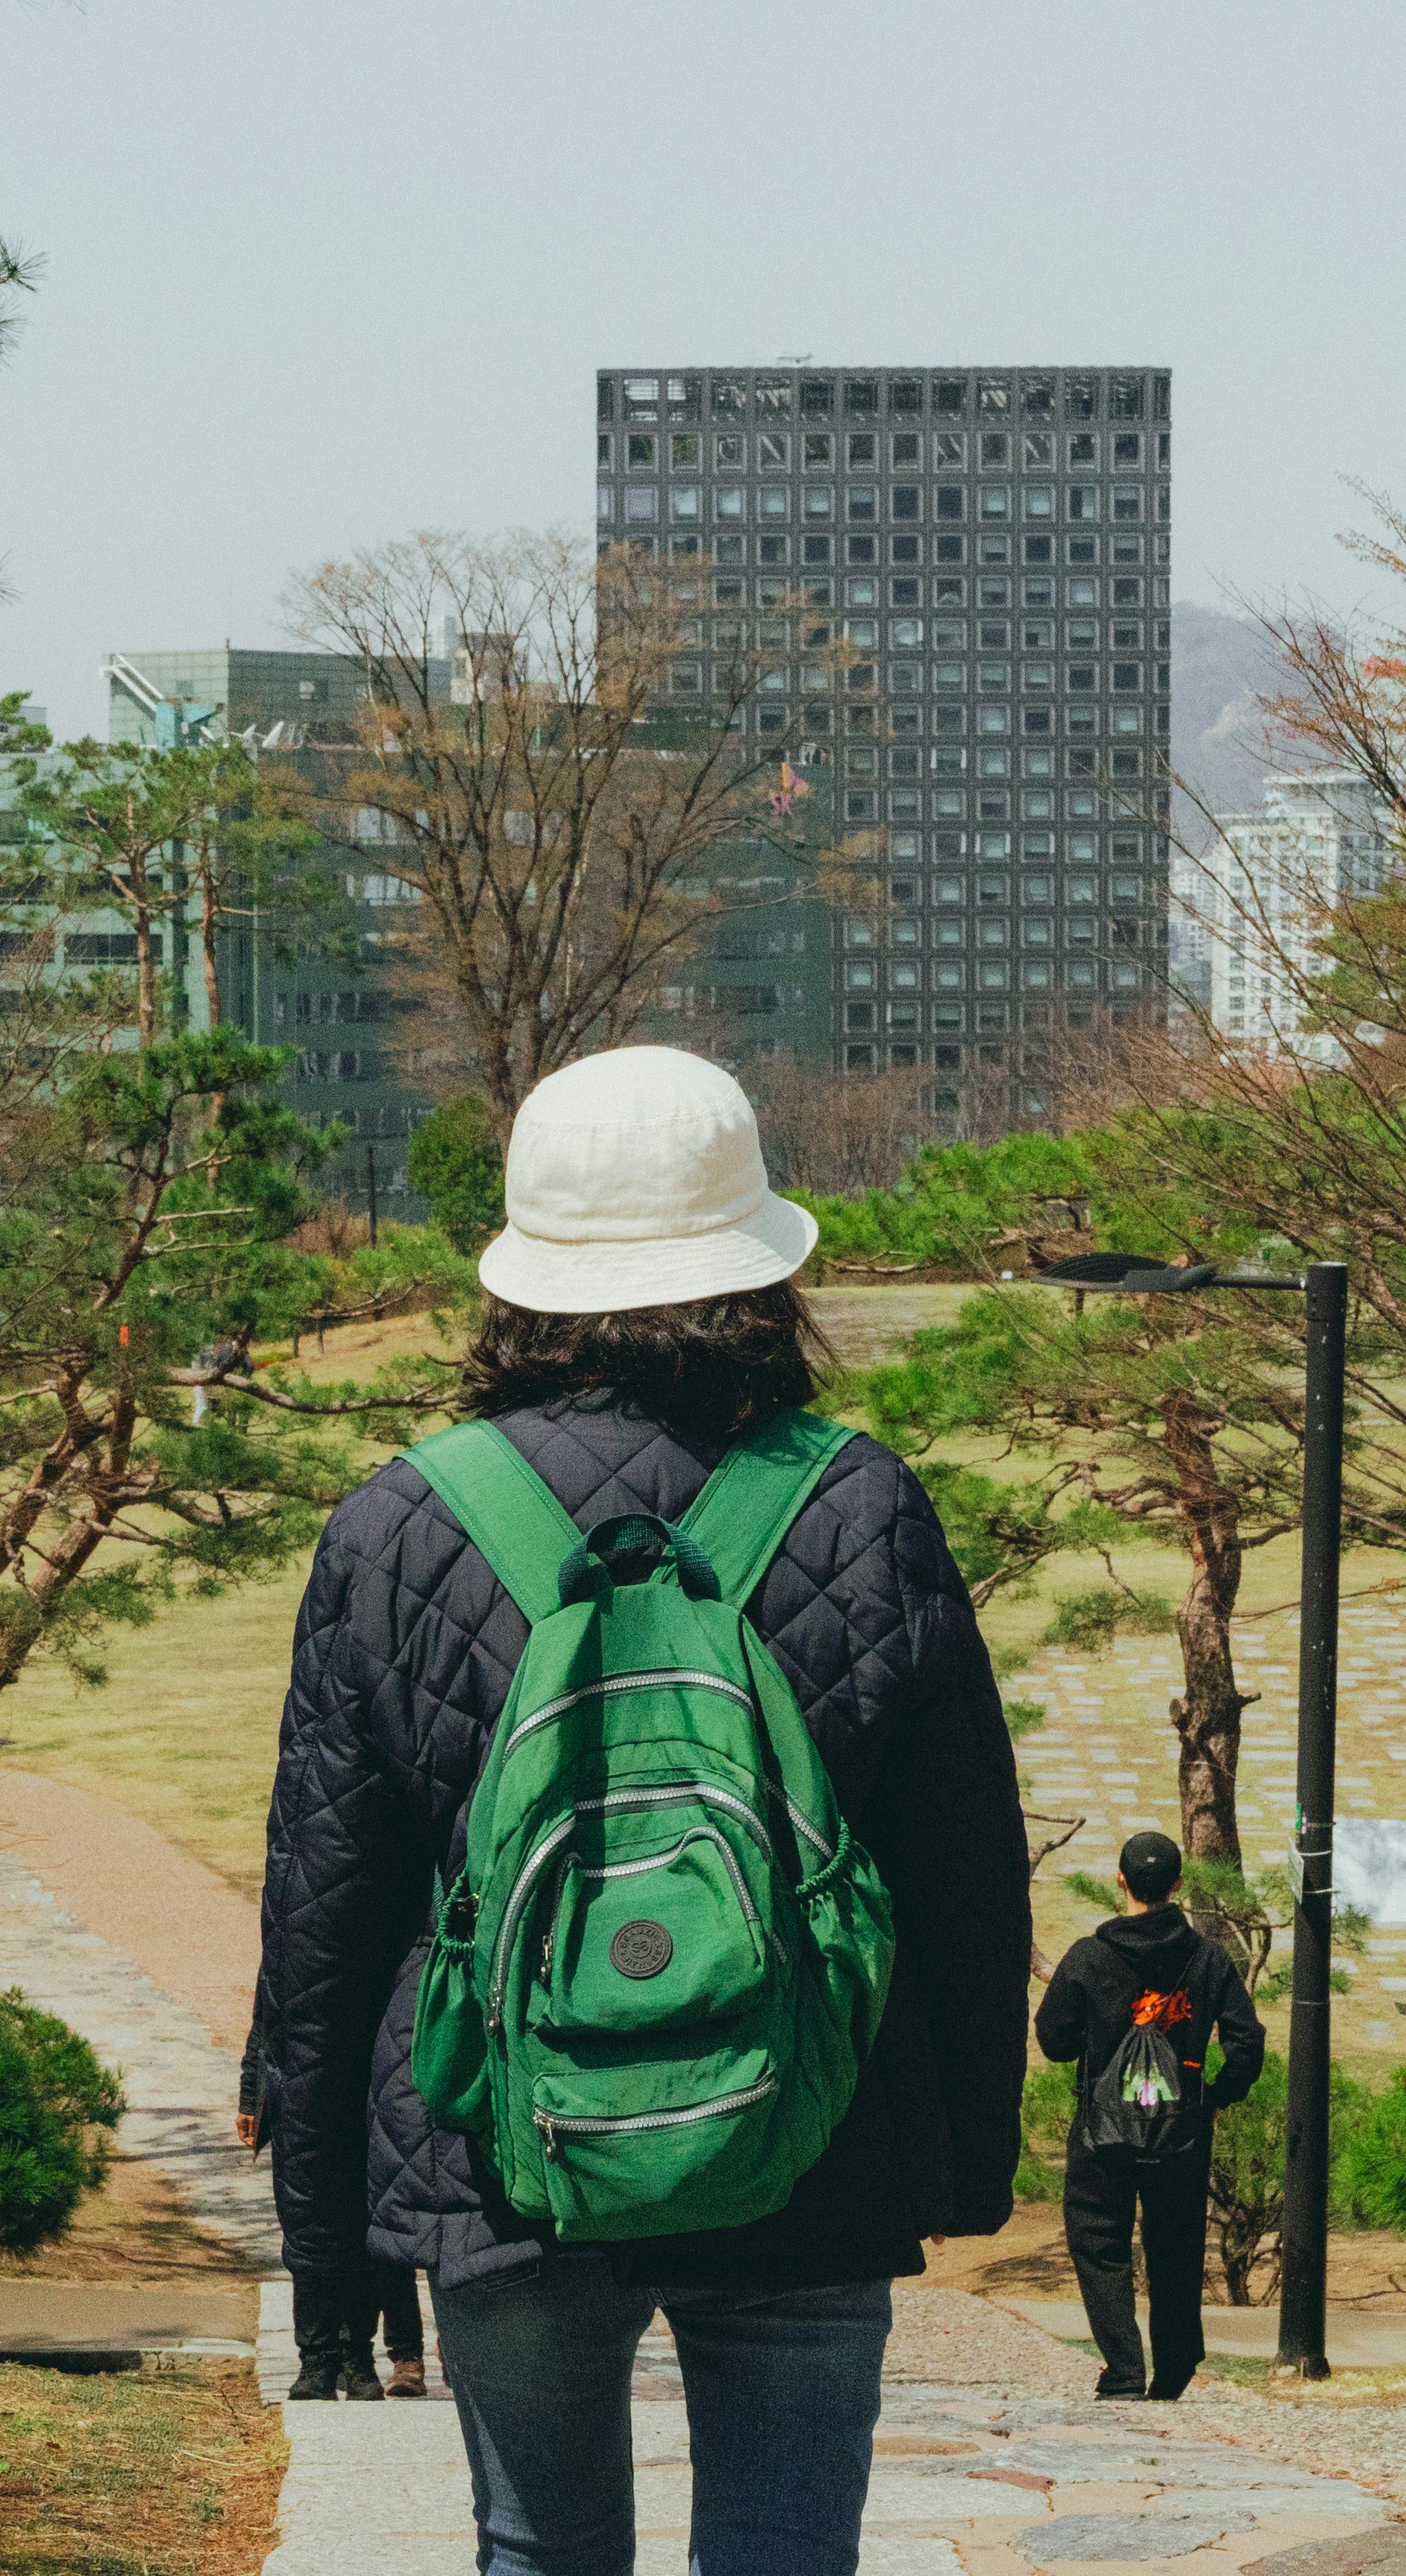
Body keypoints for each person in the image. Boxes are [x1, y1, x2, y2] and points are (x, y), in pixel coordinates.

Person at [257, 1045, 1030, 2576]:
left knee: (538, 2548)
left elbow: (325, 1904)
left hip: (504, 2140)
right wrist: (957, 2158)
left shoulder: (402, 1519)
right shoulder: (860, 1502)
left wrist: (328, 2244)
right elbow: (965, 1865)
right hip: (805, 2120)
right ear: (762, 1271)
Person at [1032, 1831, 1264, 2401]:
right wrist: (1212, 2098)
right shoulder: (1208, 1960)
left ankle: (1124, 2371)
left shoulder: (1090, 1956)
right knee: (1177, 2249)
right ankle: (1176, 2369)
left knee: (1099, 2243)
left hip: (1102, 2134)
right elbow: (1247, 2045)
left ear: (1120, 1879)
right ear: (1178, 1885)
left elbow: (1056, 2042)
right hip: (1179, 2134)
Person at [236, 2010, 427, 2399]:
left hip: (372, 2089)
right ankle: (322, 2359)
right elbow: (267, 2012)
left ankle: (376, 2356)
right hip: (304, 2097)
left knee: (379, 2226)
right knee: (309, 2224)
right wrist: (250, 2094)